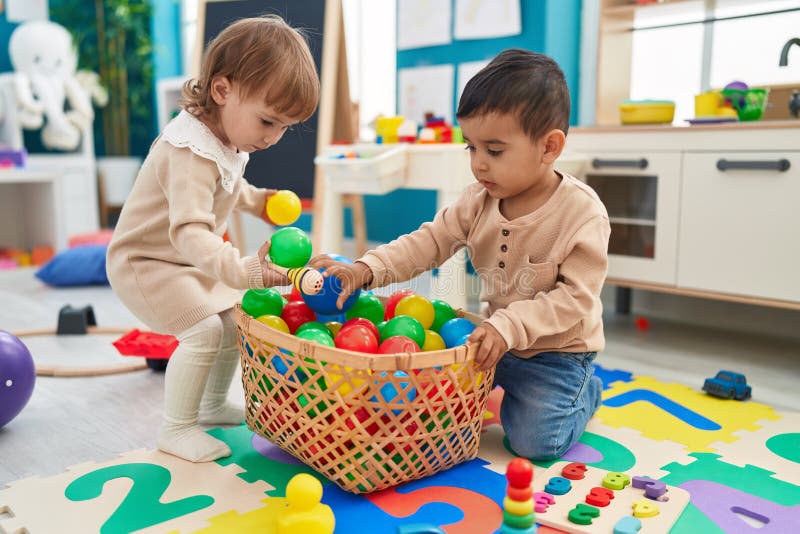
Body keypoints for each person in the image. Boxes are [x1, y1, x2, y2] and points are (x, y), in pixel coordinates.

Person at [310, 49, 610, 460]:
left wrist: (509, 325)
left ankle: (586, 391)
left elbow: (575, 300)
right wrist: (366, 268)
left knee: (536, 443)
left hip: (557, 354)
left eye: (494, 150)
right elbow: (428, 242)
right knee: (418, 403)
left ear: (549, 147)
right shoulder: (479, 200)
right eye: (470, 147)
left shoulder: (581, 213)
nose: (479, 165)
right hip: (490, 342)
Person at [106, 15, 320, 462]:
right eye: (268, 121)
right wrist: (244, 270)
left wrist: (257, 200)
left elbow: (225, 185)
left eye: (284, 127)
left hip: (181, 261)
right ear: (222, 90)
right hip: (146, 262)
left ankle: (209, 405)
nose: (274, 138)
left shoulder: (223, 137)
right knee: (203, 331)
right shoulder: (188, 151)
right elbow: (190, 231)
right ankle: (176, 428)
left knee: (230, 320)